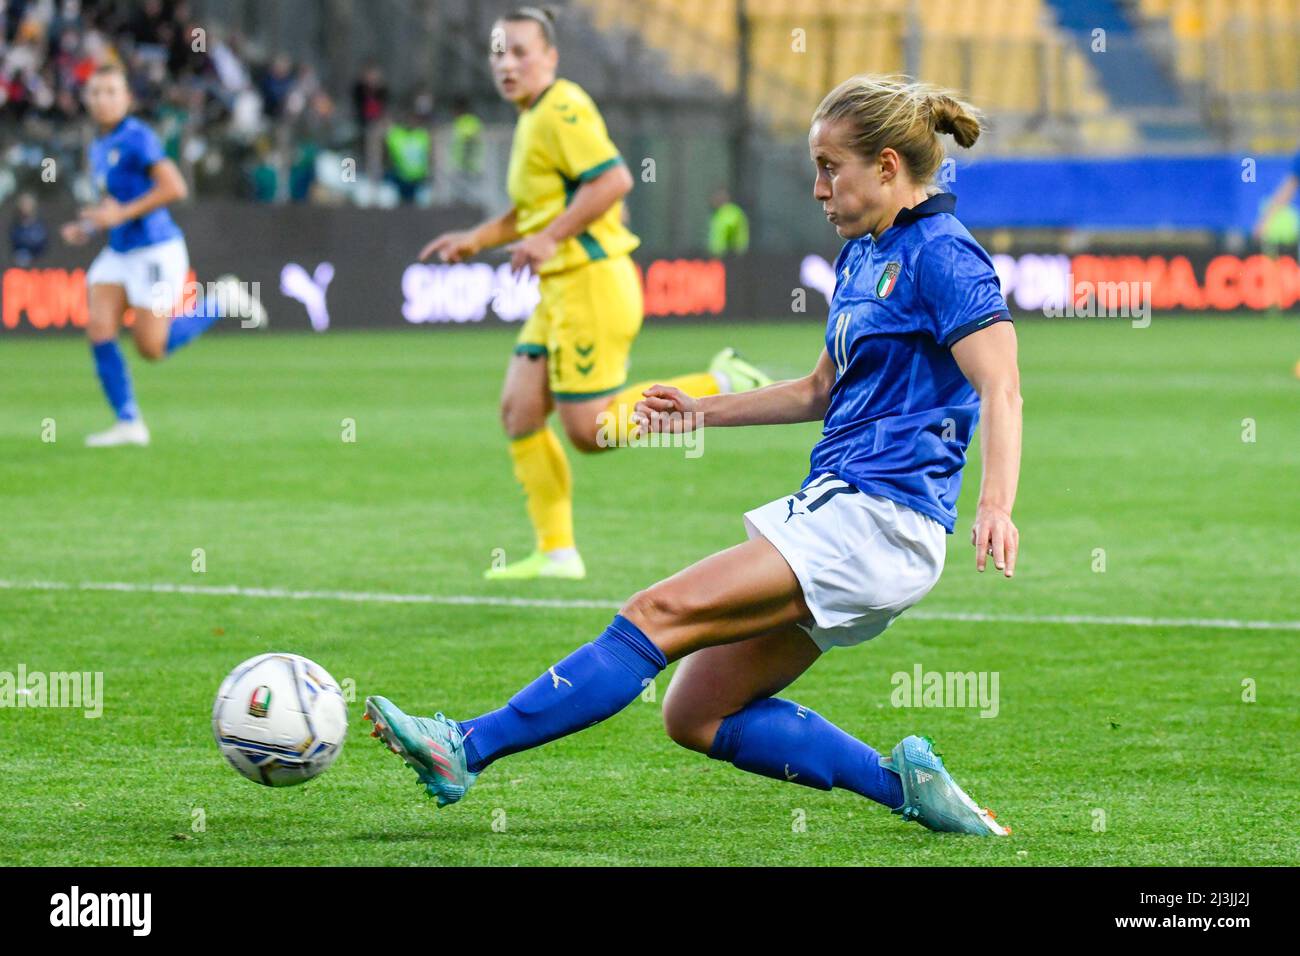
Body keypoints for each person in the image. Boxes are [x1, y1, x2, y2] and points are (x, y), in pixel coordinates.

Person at [367, 75, 1023, 836]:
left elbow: (1000, 384)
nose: (817, 188)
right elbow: (819, 391)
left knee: (655, 613)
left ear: (884, 166)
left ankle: (465, 747)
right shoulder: (864, 255)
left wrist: (996, 504)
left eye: (828, 166)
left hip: (878, 516)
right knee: (697, 713)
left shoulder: (944, 254)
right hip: (853, 513)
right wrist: (697, 413)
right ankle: (905, 786)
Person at [418, 5, 771, 581]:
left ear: (550, 57)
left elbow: (615, 181)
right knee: (520, 409)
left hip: (590, 285)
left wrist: (551, 239)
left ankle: (720, 383)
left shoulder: (563, 107)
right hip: (559, 291)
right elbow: (533, 209)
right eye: (498, 52)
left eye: (521, 51)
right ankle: (557, 552)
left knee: (591, 431)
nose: (507, 63)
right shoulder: (534, 117)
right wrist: (475, 239)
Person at [60, 64, 264, 447]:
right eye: (96, 92)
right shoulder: (99, 143)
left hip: (155, 250)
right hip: (119, 251)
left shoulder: (138, 137)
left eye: (111, 91)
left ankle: (221, 300)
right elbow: (113, 202)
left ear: (127, 98)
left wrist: (120, 214)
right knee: (100, 329)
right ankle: (129, 422)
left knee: (151, 349)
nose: (102, 99)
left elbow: (174, 187)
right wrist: (89, 226)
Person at [707, 186, 750, 256]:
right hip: (717, 256)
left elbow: (736, 237)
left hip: (726, 256)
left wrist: (733, 251)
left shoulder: (730, 213)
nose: (713, 199)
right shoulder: (718, 213)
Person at [10, 192, 49, 266]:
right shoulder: (15, 226)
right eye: (23, 204)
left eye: (28, 204)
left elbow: (42, 246)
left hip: (37, 266)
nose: (25, 207)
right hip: (16, 266)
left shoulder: (40, 227)